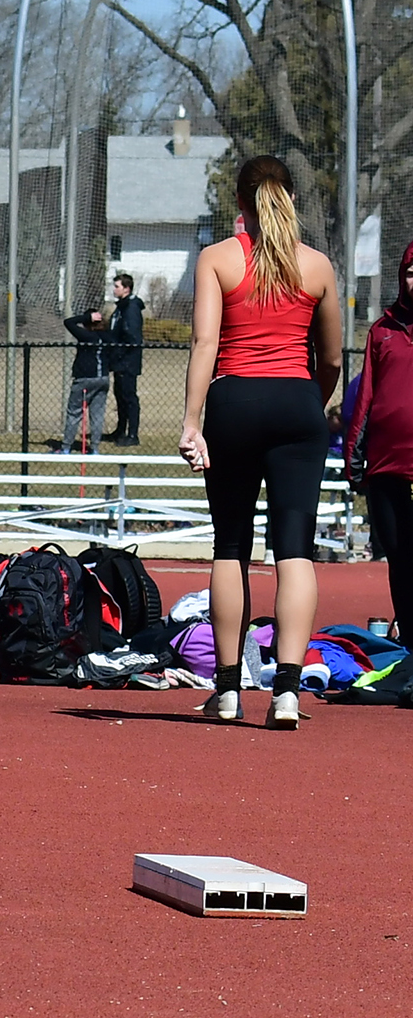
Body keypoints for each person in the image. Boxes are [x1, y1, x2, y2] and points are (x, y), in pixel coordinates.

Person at [179, 155, 341, 730]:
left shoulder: (218, 259)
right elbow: (332, 359)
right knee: (294, 548)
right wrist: (307, 407)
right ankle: (289, 693)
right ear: (290, 199)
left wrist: (192, 421)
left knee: (231, 545)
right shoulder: (317, 265)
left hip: (234, 404)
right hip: (298, 404)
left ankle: (227, 690)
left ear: (240, 205)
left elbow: (205, 343)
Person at [345, 239, 413, 638]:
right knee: (400, 560)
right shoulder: (382, 331)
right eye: (409, 271)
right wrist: (355, 458)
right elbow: (366, 396)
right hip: (387, 467)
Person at [61, 306, 112, 454]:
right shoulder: (108, 336)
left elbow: (68, 322)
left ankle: (66, 447)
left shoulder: (87, 336)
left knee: (74, 412)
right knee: (97, 414)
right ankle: (94, 448)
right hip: (103, 378)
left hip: (85, 378)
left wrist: (87, 318)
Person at [109, 273, 144, 446]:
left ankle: (132, 434)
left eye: (117, 286)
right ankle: (120, 430)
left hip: (127, 362)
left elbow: (132, 336)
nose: (114, 289)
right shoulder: (121, 307)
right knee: (120, 396)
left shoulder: (131, 308)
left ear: (126, 288)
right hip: (118, 361)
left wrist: (122, 355)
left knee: (129, 397)